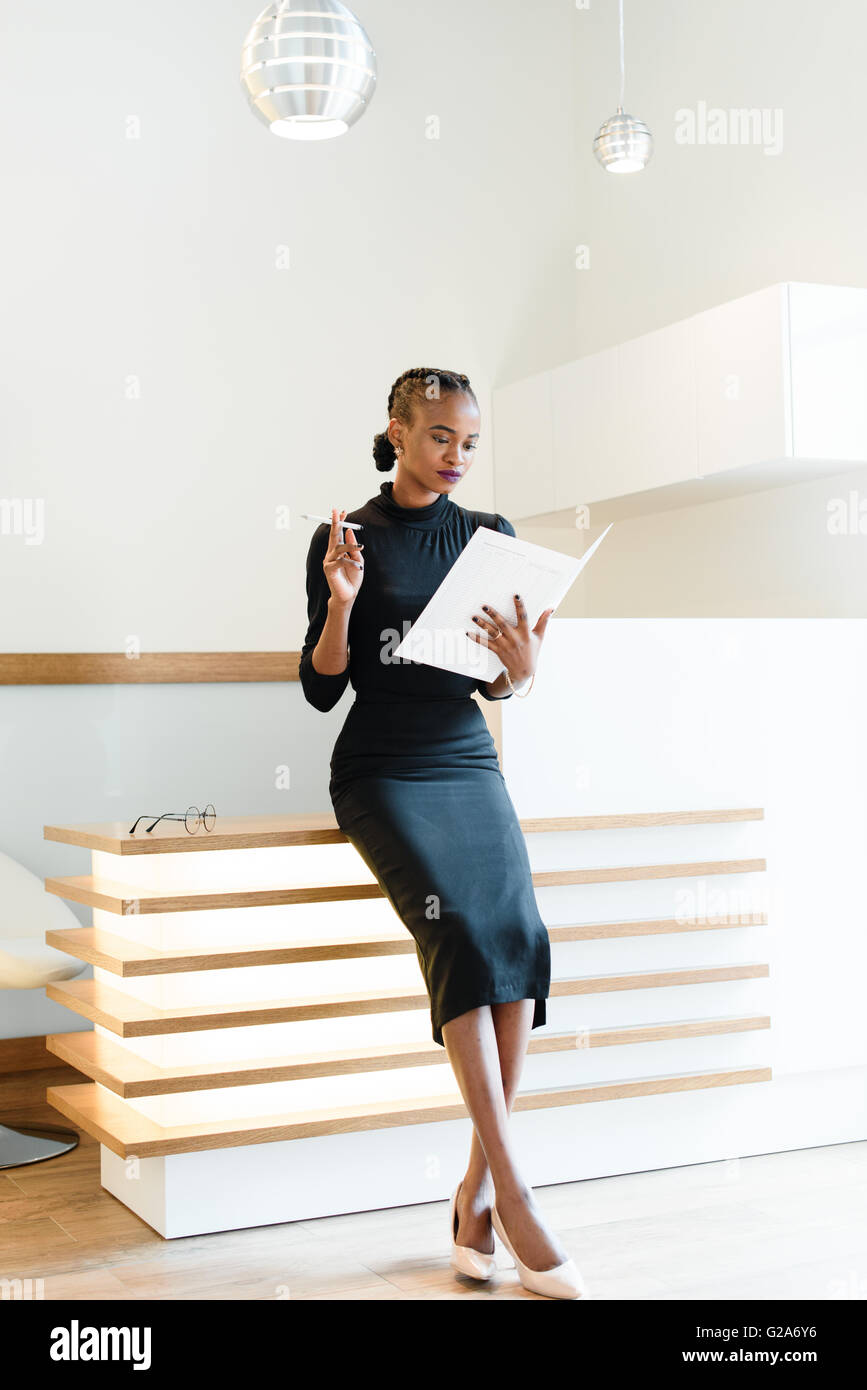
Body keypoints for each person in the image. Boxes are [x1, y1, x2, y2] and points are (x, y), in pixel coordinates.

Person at [299, 366, 585, 1299]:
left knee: (518, 938)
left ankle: (472, 1195)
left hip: (465, 756)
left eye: (469, 441)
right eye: (438, 438)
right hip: (381, 767)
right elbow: (322, 687)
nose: (456, 457)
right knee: (460, 934)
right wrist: (342, 605)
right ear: (395, 432)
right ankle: (512, 1188)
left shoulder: (488, 537)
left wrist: (521, 669)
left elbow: (493, 681)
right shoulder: (346, 537)